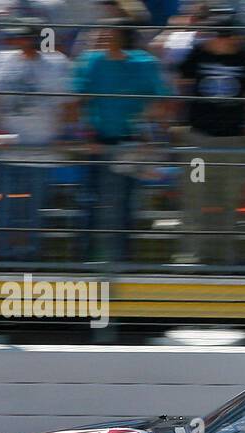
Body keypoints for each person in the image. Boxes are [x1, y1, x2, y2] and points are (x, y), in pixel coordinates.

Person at [71, 16, 169, 262]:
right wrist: (85, 136)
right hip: (97, 143)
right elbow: (78, 101)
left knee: (124, 203)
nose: (102, 36)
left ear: (123, 36)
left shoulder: (144, 64)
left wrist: (150, 133)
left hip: (130, 143)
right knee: (90, 201)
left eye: (109, 32)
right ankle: (87, 259)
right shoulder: (90, 62)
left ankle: (121, 260)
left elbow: (161, 102)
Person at [0, 18, 73, 263]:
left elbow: (69, 103)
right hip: (7, 148)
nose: (17, 41)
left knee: (33, 206)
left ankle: (29, 254)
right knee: (4, 204)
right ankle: (3, 254)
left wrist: (60, 133)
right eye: (16, 37)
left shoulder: (57, 63)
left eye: (23, 37)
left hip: (41, 148)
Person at [176, 8, 245, 265]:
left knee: (231, 198)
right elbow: (182, 87)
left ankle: (226, 255)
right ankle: (191, 254)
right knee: (194, 195)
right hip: (199, 138)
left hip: (234, 141)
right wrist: (179, 123)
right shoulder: (197, 55)